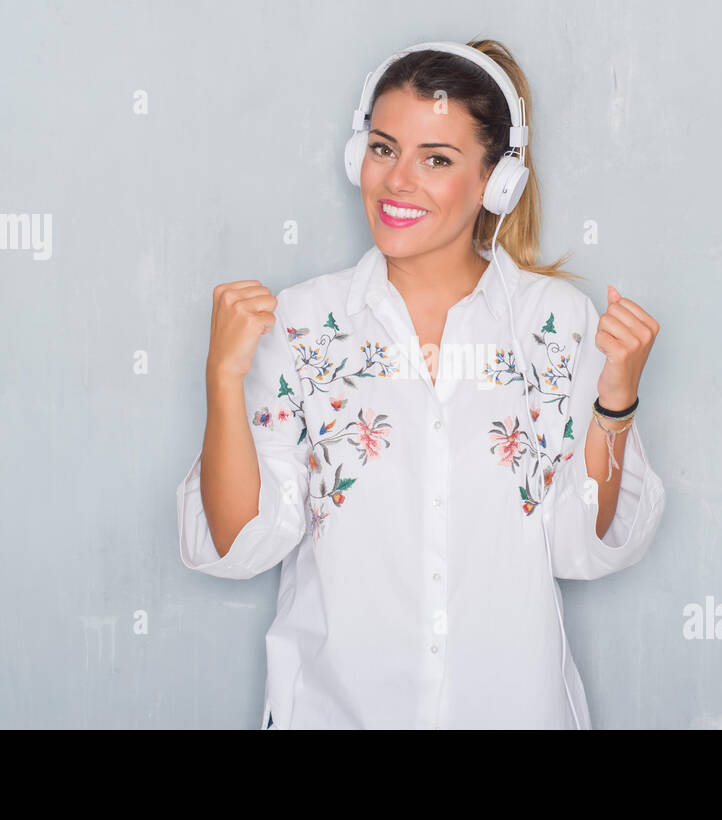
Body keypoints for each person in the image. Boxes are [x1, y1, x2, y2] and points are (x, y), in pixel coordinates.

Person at [176, 39, 666, 729]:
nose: (397, 181)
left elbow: (578, 545)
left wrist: (617, 398)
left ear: (498, 182)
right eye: (383, 148)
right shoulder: (301, 322)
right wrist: (222, 378)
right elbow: (236, 545)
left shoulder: (557, 325)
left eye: (436, 159)